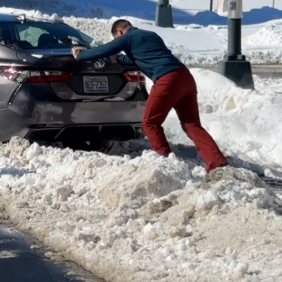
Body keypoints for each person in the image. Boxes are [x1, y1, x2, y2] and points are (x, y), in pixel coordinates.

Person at [72, 19, 227, 173]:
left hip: (167, 80)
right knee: (191, 125)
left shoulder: (127, 37)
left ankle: (165, 162)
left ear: (119, 31)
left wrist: (81, 55)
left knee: (150, 123)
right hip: (185, 77)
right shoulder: (151, 35)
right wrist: (119, 58)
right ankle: (217, 162)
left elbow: (104, 50)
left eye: (117, 39)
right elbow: (142, 58)